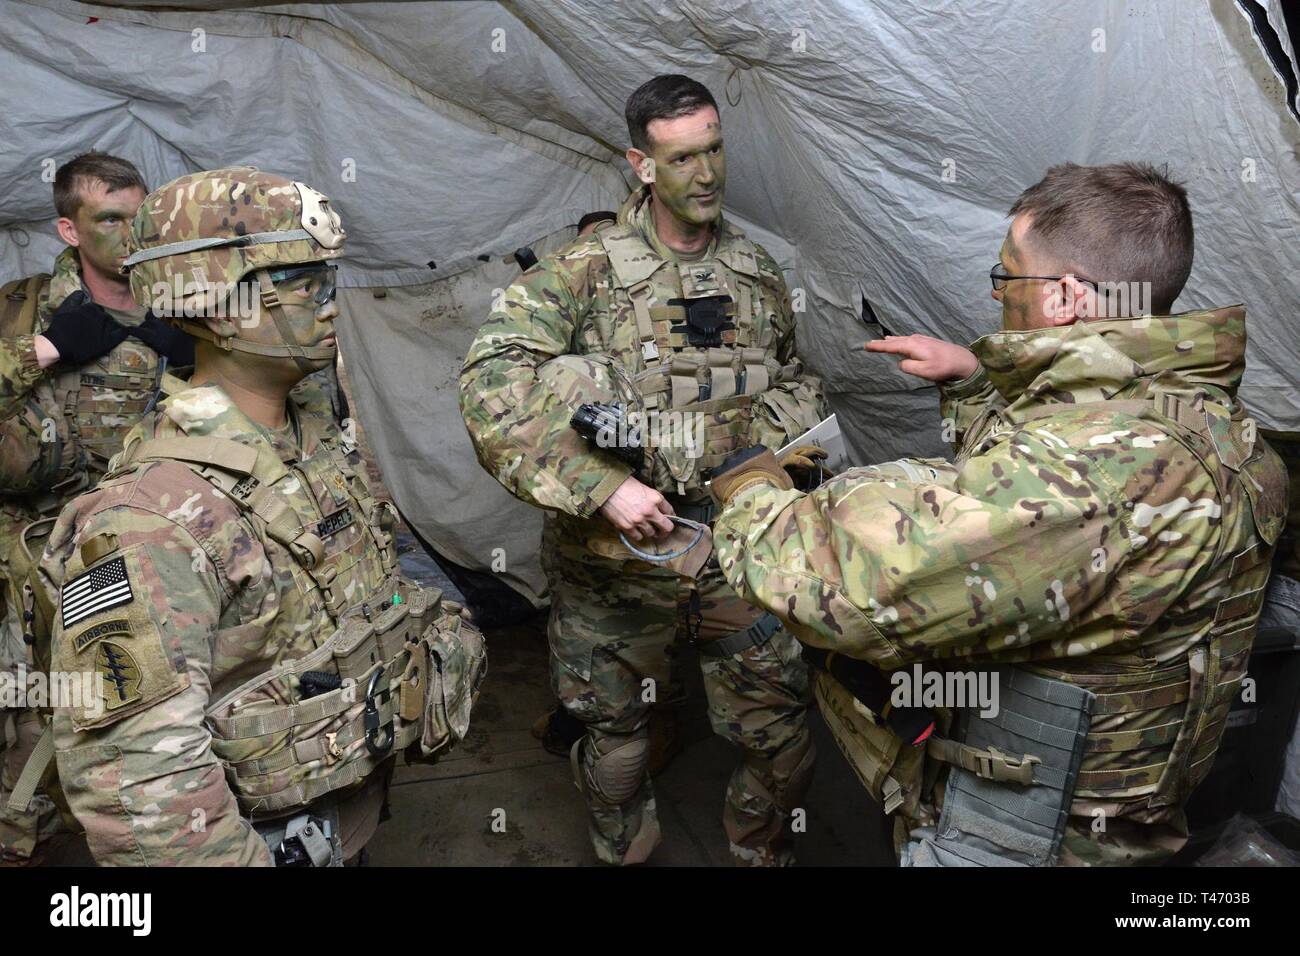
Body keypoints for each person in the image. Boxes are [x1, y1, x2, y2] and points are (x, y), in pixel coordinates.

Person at [709, 161, 1287, 866]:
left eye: (1008, 277)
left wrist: (752, 495)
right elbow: (1071, 476)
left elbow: (859, 589)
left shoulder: (1098, 478)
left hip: (1022, 835)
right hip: (1116, 817)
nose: (997, 293)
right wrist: (978, 382)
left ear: (1067, 296)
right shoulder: (1213, 423)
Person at [37, 166, 483, 865]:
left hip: (343, 824)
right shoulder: (148, 517)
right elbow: (146, 791)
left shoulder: (316, 441)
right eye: (304, 283)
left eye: (328, 280)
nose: (331, 305)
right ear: (213, 304)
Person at [461, 75, 827, 865]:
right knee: (618, 745)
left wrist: (781, 451)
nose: (706, 174)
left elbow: (793, 378)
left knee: (782, 732)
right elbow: (491, 386)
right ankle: (625, 852)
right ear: (642, 164)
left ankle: (760, 850)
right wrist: (602, 486)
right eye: (682, 157)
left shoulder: (758, 273)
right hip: (613, 565)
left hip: (733, 549)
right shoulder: (581, 273)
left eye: (715, 150)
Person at [0, 152, 192, 865]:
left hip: (148, 560)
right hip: (33, 564)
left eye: (137, 219)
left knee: (146, 732)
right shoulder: (20, 309)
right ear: (68, 227)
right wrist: (48, 348)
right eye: (107, 219)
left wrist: (199, 358)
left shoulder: (185, 310)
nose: (126, 235)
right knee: (30, 740)